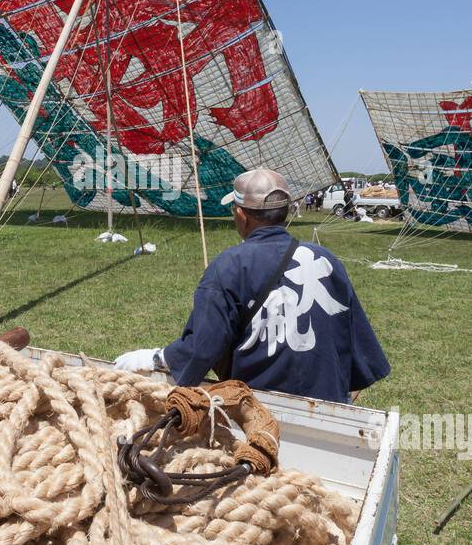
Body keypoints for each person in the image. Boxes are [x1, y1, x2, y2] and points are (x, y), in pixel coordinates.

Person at [113, 168, 390, 404]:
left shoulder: (229, 266)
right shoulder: (327, 260)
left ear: (241, 215)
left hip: (257, 410)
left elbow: (201, 349)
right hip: (330, 408)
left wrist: (156, 359)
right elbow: (359, 354)